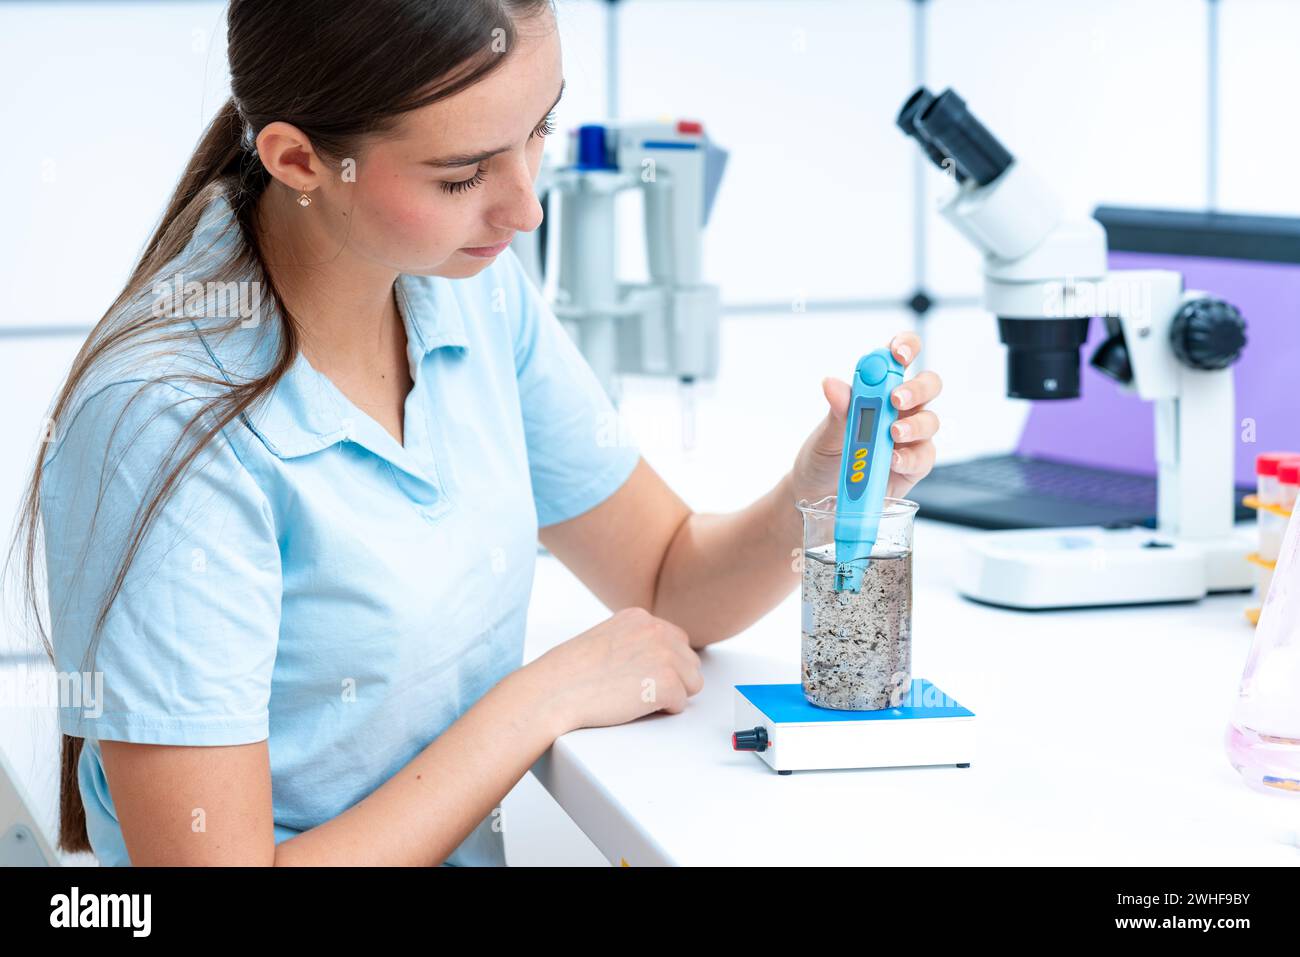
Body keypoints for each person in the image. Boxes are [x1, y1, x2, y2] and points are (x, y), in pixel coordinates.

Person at [13, 0, 942, 866]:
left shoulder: (464, 288)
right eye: (462, 174)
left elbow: (667, 577)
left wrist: (814, 492)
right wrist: (541, 699)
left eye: (538, 130)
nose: (525, 207)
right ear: (298, 161)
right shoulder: (164, 419)